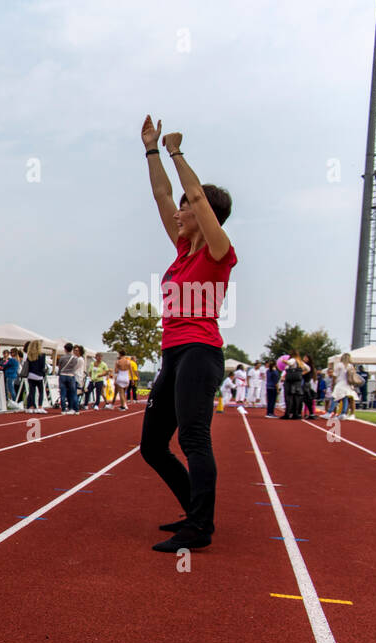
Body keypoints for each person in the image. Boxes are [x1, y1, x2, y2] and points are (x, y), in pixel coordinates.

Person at [137, 115, 236, 552]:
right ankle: (191, 510)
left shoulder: (218, 252)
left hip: (200, 352)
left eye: (185, 208)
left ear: (204, 214)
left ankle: (201, 527)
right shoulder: (181, 251)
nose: (177, 212)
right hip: (174, 355)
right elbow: (162, 194)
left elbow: (193, 192)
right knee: (153, 445)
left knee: (194, 437)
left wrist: (178, 151)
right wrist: (151, 149)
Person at [57, 342, 81, 414]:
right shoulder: (75, 358)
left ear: (65, 349)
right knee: (73, 393)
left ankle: (63, 410)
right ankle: (76, 409)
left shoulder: (62, 358)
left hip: (63, 375)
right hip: (71, 375)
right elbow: (75, 367)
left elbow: (60, 366)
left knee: (63, 393)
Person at [280, 354, 306, 419]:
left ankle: (288, 414)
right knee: (296, 399)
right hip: (297, 383)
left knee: (289, 399)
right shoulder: (300, 363)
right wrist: (302, 373)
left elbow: (289, 362)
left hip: (290, 383)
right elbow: (308, 369)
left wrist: (283, 360)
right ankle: (295, 414)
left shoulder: (292, 361)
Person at [25, 341, 48, 413]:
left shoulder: (29, 355)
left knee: (32, 391)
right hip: (39, 376)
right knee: (41, 391)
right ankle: (40, 406)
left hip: (30, 375)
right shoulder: (42, 355)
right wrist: (43, 374)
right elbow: (42, 367)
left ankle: (31, 407)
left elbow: (28, 365)